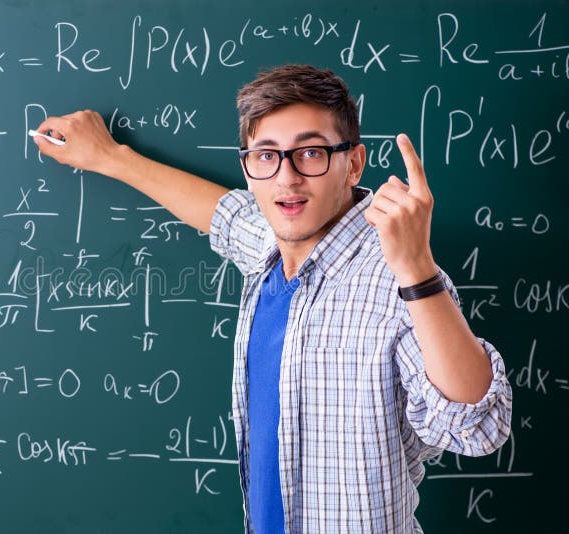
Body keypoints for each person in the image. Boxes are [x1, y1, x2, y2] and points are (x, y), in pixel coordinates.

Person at [31, 64, 512, 534]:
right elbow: (221, 214)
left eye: (311, 153)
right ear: (248, 166)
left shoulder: (397, 281)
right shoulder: (269, 243)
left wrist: (418, 270)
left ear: (353, 164)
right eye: (266, 156)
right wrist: (109, 156)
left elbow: (478, 429)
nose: (286, 178)